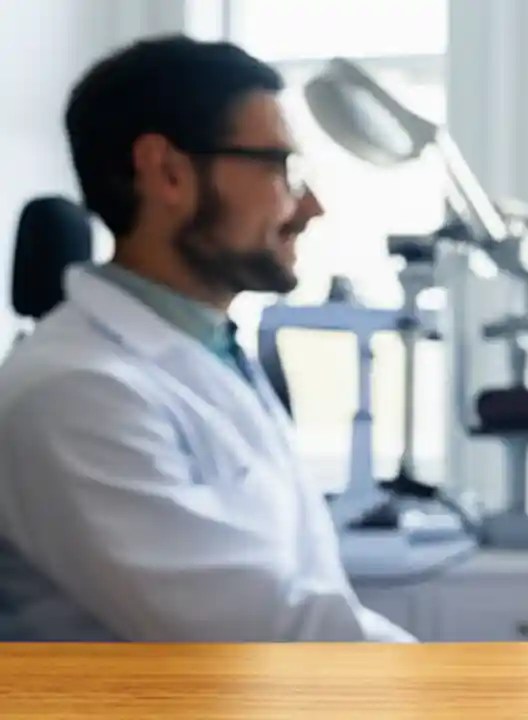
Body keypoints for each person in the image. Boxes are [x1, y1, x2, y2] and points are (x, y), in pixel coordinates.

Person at [0, 36, 415, 641]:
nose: (312, 207)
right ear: (167, 173)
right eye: (281, 167)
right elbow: (256, 631)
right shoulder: (73, 394)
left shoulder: (205, 352)